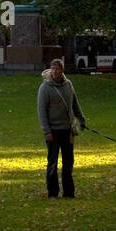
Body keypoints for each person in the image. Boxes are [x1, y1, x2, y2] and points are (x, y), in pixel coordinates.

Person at [37, 57, 86, 198]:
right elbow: (41, 111)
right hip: (52, 131)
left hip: (67, 130)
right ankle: (52, 192)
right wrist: (46, 131)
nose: (55, 71)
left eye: (57, 69)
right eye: (53, 68)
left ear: (62, 70)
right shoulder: (45, 88)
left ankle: (69, 192)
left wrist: (81, 119)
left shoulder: (68, 85)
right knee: (52, 162)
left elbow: (75, 104)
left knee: (68, 162)